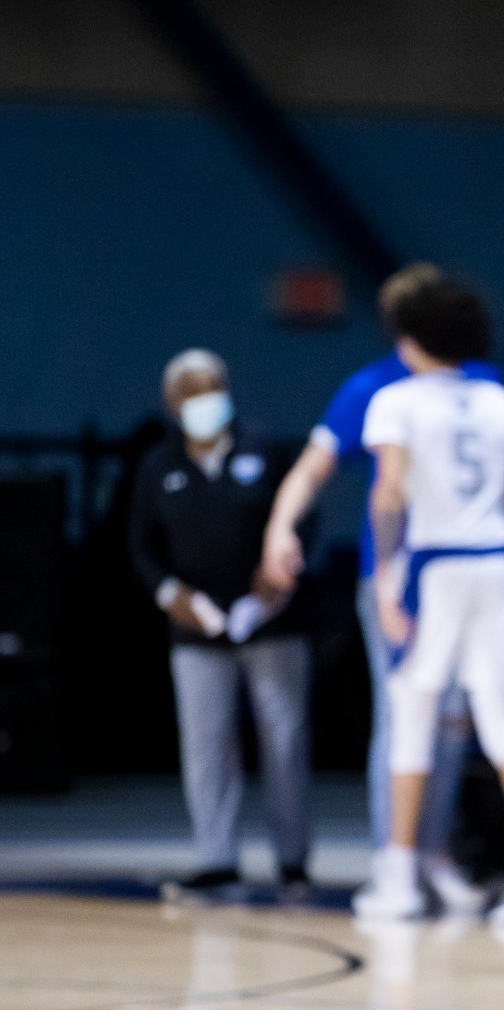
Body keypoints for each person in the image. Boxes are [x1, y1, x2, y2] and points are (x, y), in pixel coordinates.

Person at [261, 263, 500, 915]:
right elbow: (314, 468)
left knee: (456, 723)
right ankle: (393, 861)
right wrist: (280, 528)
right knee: (405, 717)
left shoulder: (482, 385)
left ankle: (435, 854)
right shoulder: (372, 388)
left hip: (468, 577)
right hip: (397, 580)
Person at [357, 277, 504, 925]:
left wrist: (388, 575)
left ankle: (397, 876)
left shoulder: (395, 401)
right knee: (503, 720)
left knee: (414, 716)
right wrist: (490, 536)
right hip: (496, 567)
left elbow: (390, 493)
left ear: (409, 335)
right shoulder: (501, 401)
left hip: (435, 567)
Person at [129, 349, 311, 904]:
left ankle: (293, 859)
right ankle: (216, 859)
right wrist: (172, 595)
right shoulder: (159, 467)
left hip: (271, 621)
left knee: (284, 739)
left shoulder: (265, 451)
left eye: (212, 388)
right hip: (196, 628)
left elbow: (302, 520)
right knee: (207, 743)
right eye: (191, 391)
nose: (204, 401)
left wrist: (274, 585)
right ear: (172, 403)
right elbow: (141, 546)